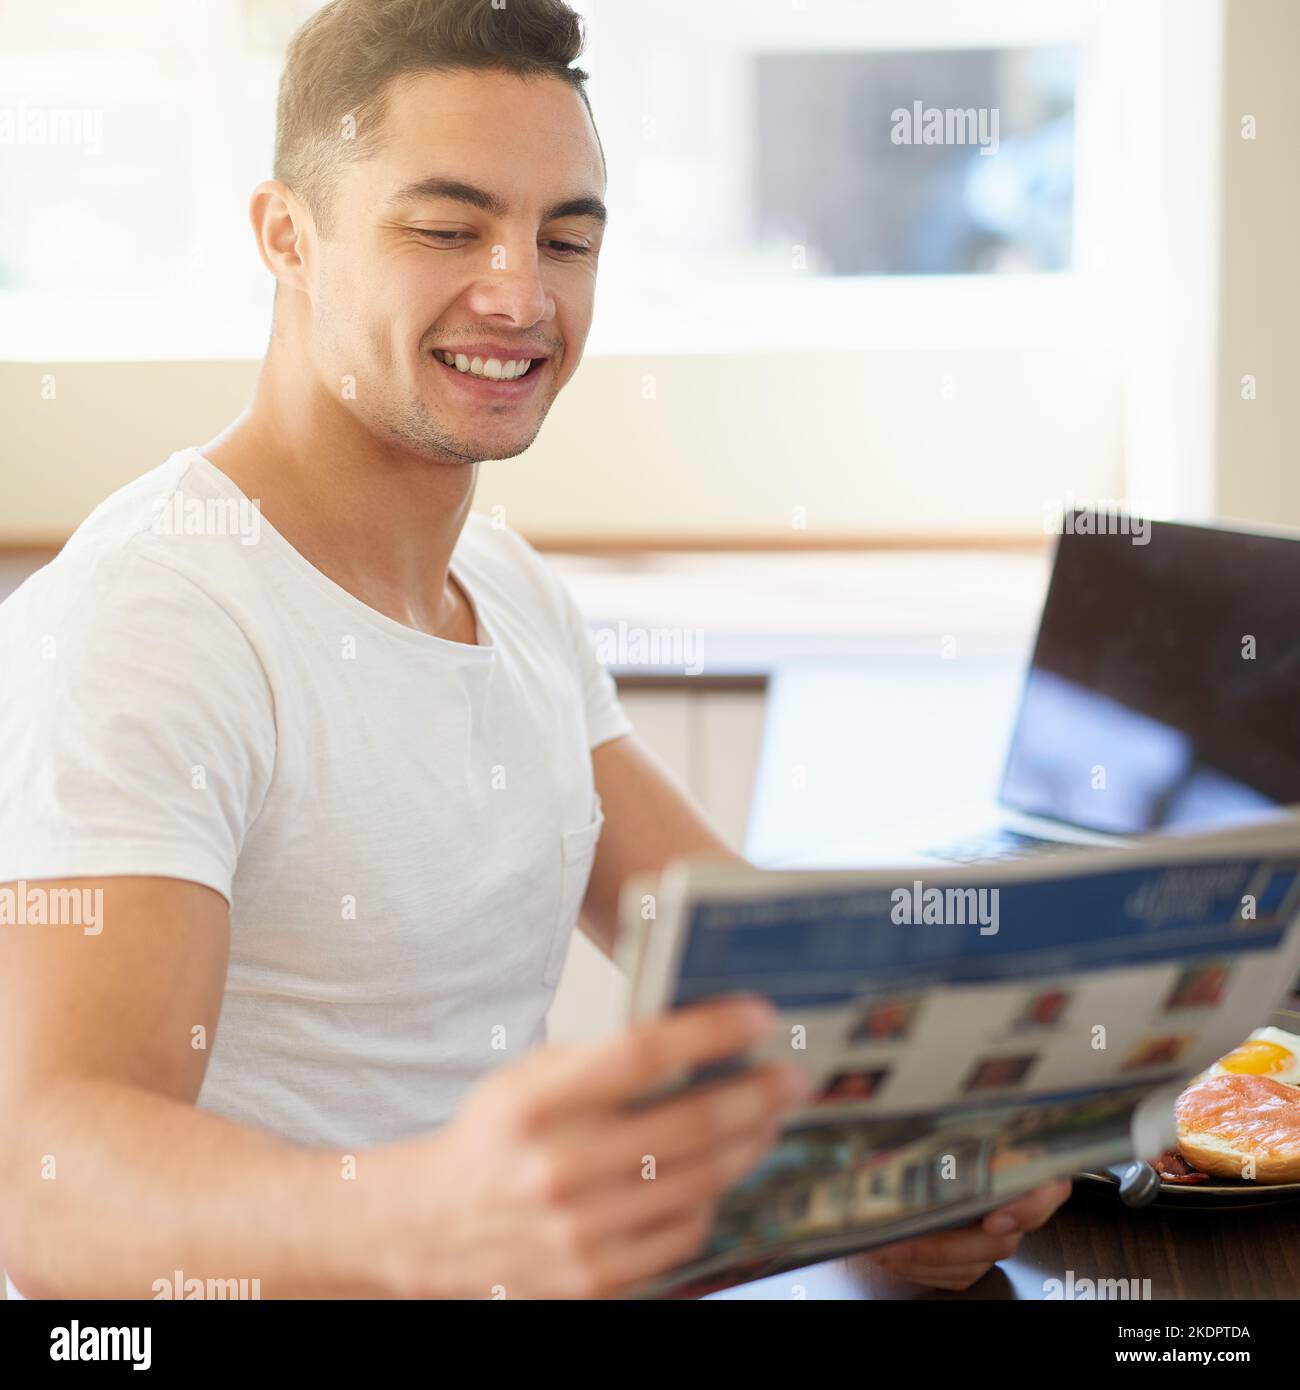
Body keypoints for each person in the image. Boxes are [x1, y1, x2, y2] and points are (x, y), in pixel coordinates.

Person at [0, 0, 1068, 1299]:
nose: (520, 292)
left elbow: (747, 959)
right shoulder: (148, 623)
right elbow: (45, 1187)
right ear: (288, 236)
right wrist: (423, 1216)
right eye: (446, 228)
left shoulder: (501, 586)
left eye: (566, 238)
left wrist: (910, 1142)